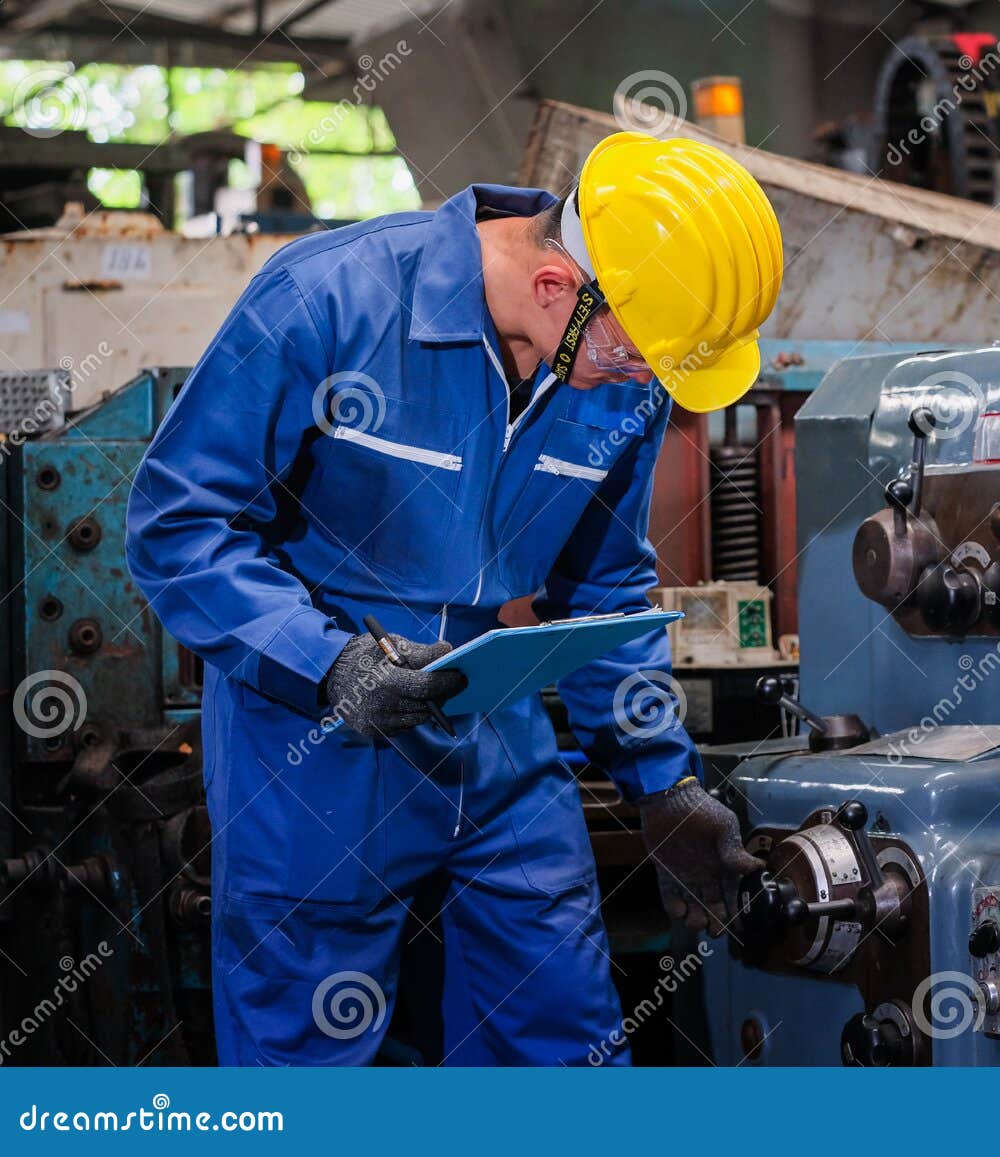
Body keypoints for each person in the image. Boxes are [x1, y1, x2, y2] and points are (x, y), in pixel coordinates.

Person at [126, 130, 784, 1065]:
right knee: (310, 1058)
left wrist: (661, 776)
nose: (644, 382)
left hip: (494, 729)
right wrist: (329, 664)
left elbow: (603, 582)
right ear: (561, 286)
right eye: (639, 357)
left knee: (568, 1040)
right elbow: (175, 526)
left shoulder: (613, 377)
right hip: (313, 741)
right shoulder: (330, 299)